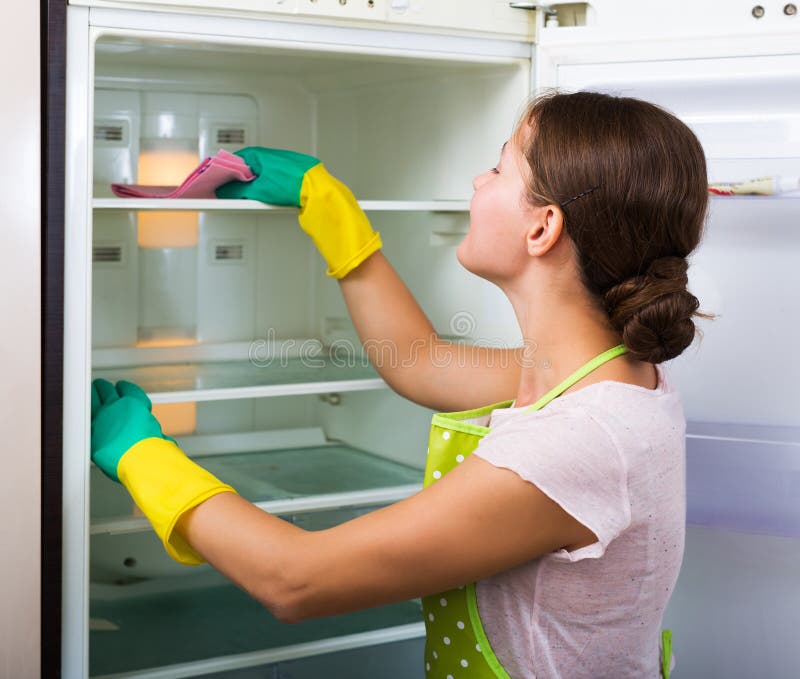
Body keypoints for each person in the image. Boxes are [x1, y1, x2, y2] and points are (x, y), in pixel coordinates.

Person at [91, 90, 710, 678]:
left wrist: (145, 458)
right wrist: (329, 210)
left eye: (496, 171)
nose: (477, 182)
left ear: (542, 228)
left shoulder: (575, 444)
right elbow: (421, 360)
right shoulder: (605, 378)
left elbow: (296, 580)